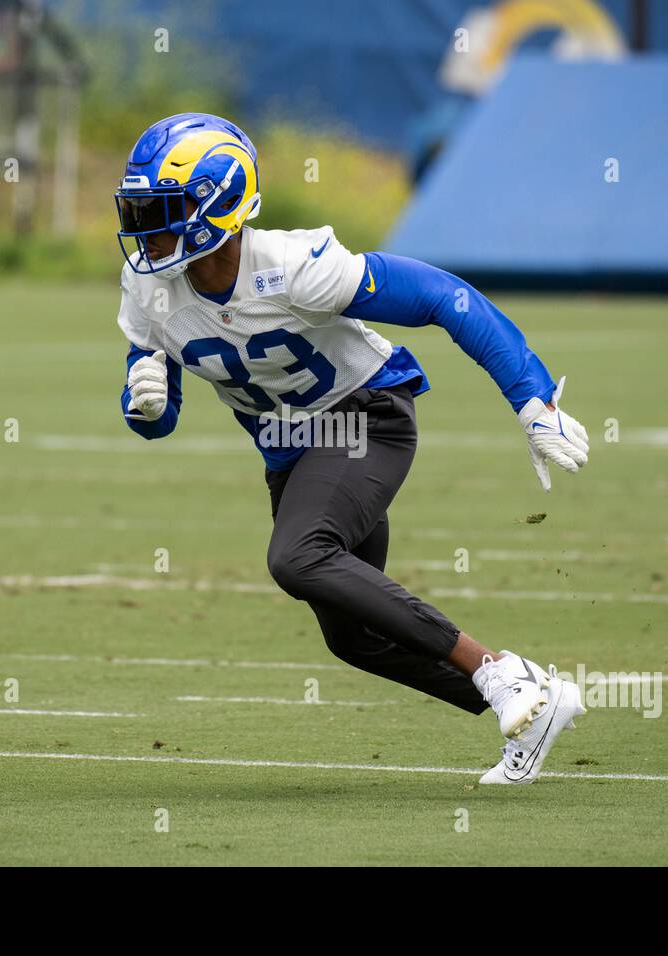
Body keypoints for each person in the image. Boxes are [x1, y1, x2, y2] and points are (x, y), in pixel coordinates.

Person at [113, 113, 590, 783]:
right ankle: (533, 704)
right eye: (139, 211)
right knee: (353, 638)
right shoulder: (150, 288)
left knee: (298, 557)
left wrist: (531, 397)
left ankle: (501, 671)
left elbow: (442, 297)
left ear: (218, 203)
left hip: (365, 419)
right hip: (292, 452)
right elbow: (155, 416)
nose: (146, 231)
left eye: (164, 211)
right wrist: (146, 405)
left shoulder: (295, 269)